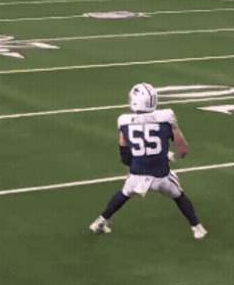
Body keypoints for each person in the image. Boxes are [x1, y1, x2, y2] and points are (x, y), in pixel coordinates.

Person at [88, 83, 207, 241]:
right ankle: (197, 227)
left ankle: (100, 222)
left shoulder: (124, 121)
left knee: (124, 193)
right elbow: (183, 150)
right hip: (161, 177)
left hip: (137, 174)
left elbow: (125, 156)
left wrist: (135, 166)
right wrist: (172, 137)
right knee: (179, 196)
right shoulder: (166, 117)